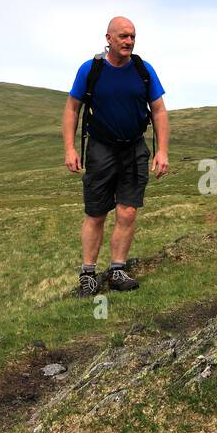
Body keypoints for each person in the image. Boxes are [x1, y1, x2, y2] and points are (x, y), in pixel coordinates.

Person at [62, 16, 169, 297]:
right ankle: (88, 274)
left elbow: (158, 110)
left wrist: (162, 151)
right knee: (96, 213)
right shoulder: (91, 70)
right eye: (123, 36)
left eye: (132, 36)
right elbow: (72, 108)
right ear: (108, 38)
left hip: (134, 148)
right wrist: (70, 148)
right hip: (100, 149)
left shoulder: (143, 70)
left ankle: (117, 270)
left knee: (128, 210)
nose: (129, 42)